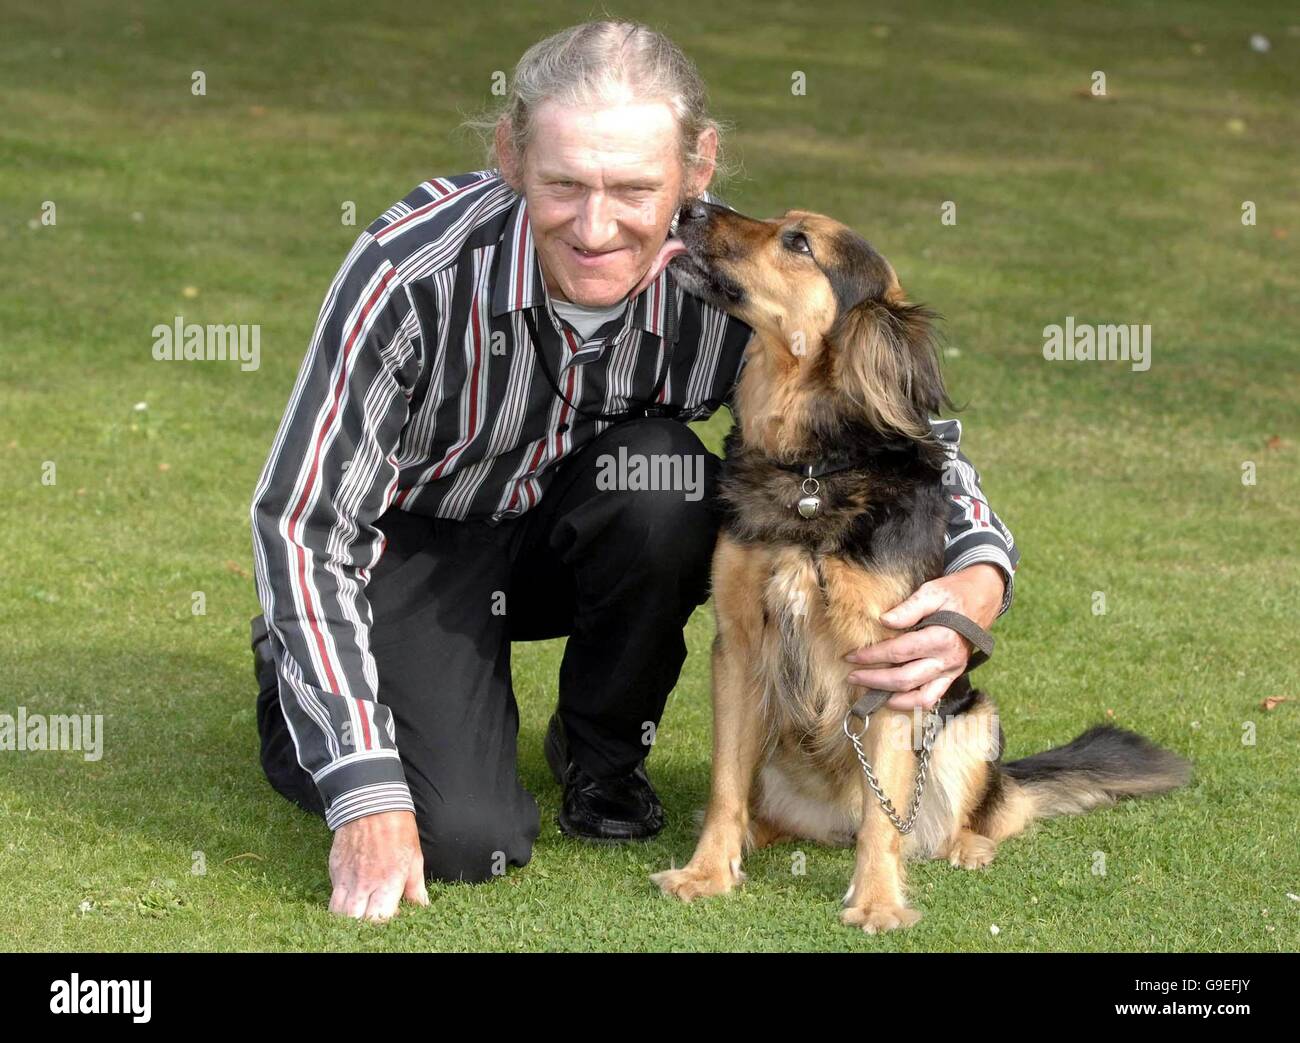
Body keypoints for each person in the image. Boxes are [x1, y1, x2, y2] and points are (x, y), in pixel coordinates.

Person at [249, 19, 1020, 922]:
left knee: (665, 483)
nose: (597, 225)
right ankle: (308, 702)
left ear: (698, 171)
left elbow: (907, 442)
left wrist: (976, 582)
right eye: (564, 184)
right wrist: (365, 787)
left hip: (578, 535)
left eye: (635, 188)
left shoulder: (736, 282)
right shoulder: (410, 272)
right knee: (466, 838)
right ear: (509, 155)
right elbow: (301, 524)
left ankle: (601, 758)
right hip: (417, 548)